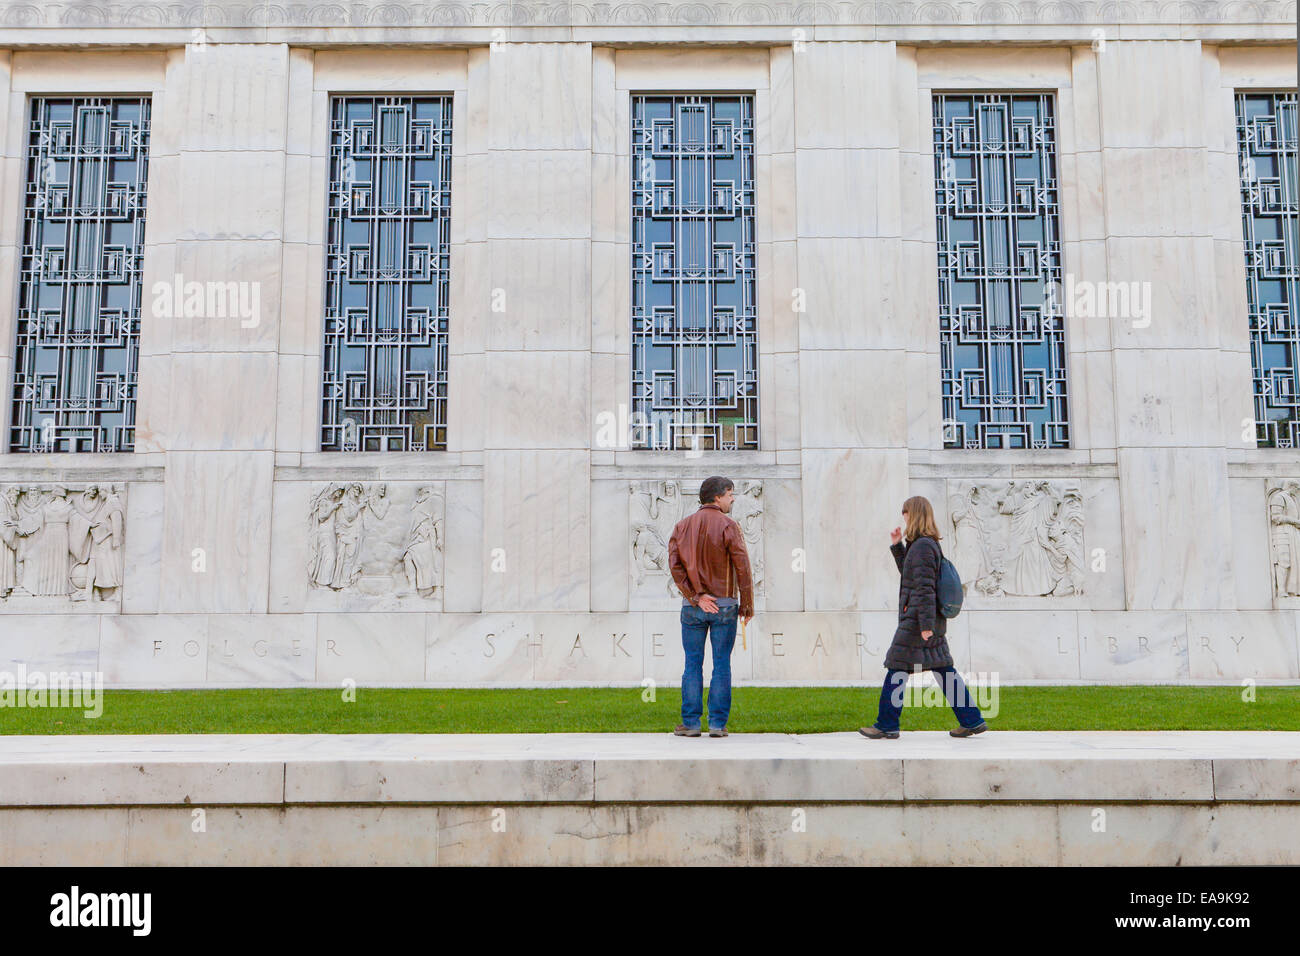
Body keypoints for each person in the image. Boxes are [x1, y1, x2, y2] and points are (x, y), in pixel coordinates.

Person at [860, 495, 988, 739]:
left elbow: (925, 589)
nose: (904, 517)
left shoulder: (922, 547)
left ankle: (886, 724)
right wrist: (898, 546)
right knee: (943, 668)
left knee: (896, 666)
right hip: (923, 619)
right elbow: (911, 575)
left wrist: (926, 626)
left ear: (914, 514)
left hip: (918, 621)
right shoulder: (924, 545)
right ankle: (972, 720)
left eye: (905, 512)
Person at [667, 476, 754, 738]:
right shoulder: (729, 525)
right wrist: (747, 605)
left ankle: (691, 723)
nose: (733, 499)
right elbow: (743, 567)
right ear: (717, 497)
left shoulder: (682, 526)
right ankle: (717, 724)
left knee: (692, 664)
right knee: (721, 664)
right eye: (730, 494)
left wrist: (696, 597)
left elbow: (675, 566)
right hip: (725, 605)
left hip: (693, 609)